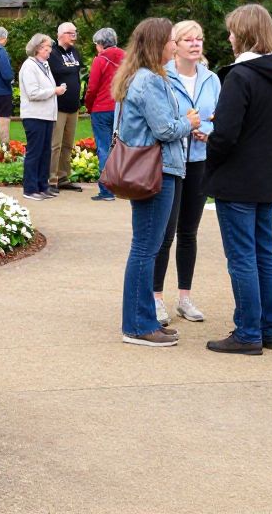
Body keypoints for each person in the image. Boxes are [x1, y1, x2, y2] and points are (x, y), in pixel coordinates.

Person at [204, 4, 272, 355]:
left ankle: (247, 333)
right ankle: (269, 331)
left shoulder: (239, 76)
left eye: (231, 31)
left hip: (238, 180)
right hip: (267, 176)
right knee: (264, 254)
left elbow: (225, 134)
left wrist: (212, 158)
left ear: (243, 34)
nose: (228, 37)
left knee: (242, 257)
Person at [113, 18, 199, 347]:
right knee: (145, 250)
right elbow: (164, 129)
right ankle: (137, 326)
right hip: (156, 172)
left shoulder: (149, 76)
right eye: (171, 41)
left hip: (161, 170)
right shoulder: (149, 80)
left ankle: (145, 319)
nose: (175, 45)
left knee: (147, 248)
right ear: (157, 45)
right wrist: (189, 122)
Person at [152, 20, 221, 326]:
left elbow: (220, 116)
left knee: (189, 232)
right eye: (188, 39)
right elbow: (160, 118)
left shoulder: (212, 80)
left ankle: (184, 298)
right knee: (165, 234)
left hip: (200, 161)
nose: (195, 44)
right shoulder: (161, 77)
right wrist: (185, 126)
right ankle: (155, 299)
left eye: (199, 39)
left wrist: (208, 130)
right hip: (169, 162)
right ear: (175, 45)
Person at [19, 34, 66, 201]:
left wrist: (54, 90)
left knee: (45, 152)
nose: (50, 51)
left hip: (46, 116)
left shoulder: (44, 65)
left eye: (50, 48)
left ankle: (42, 186)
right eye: (47, 48)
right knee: (35, 152)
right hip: (34, 115)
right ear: (38, 48)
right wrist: (54, 91)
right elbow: (32, 93)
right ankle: (30, 189)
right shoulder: (29, 66)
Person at [83, 27, 125, 202]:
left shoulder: (100, 60)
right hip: (121, 107)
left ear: (100, 44)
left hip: (101, 107)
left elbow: (92, 87)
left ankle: (106, 191)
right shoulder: (126, 56)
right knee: (121, 147)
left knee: (103, 147)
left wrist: (88, 105)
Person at [48, 22, 83, 194]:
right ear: (61, 34)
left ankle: (63, 177)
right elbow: (55, 74)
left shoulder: (74, 52)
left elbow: (76, 71)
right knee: (55, 144)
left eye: (75, 33)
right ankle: (51, 179)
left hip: (73, 105)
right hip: (59, 106)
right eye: (71, 33)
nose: (74, 36)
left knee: (68, 144)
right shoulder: (53, 54)